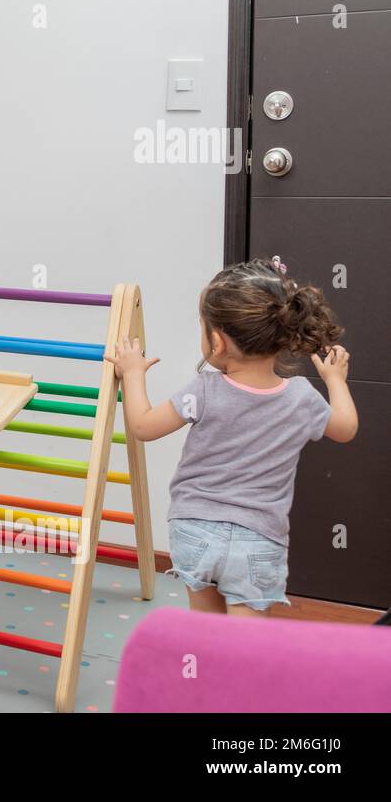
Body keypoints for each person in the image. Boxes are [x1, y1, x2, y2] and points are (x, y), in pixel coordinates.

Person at [106, 257, 358, 616]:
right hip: (257, 541)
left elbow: (143, 426)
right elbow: (346, 429)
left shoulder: (205, 390)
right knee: (241, 651)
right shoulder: (301, 398)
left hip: (194, 530)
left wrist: (132, 373)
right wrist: (335, 381)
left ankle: (201, 672)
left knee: (207, 635)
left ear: (215, 341)